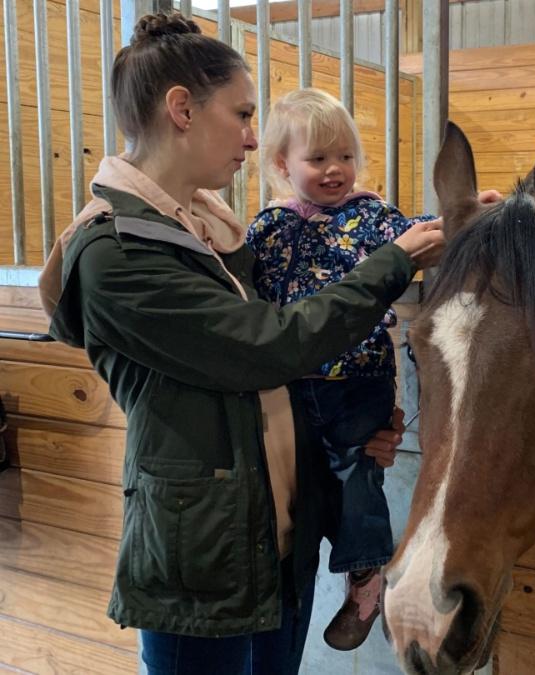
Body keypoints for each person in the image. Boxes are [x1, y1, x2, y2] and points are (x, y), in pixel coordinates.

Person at [35, 12, 466, 674]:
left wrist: (353, 440)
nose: (249, 135)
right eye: (240, 114)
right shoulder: (115, 254)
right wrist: (392, 262)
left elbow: (270, 396)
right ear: (182, 109)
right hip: (205, 561)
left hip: (273, 543)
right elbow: (267, 347)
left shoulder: (219, 238)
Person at [246, 88, 430, 650]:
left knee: (356, 474)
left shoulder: (373, 216)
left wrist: (469, 218)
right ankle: (310, 583)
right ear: (282, 165)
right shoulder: (269, 227)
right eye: (318, 158)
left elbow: (419, 237)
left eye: (345, 157)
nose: (335, 170)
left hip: (361, 379)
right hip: (294, 384)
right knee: (302, 490)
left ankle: (366, 578)